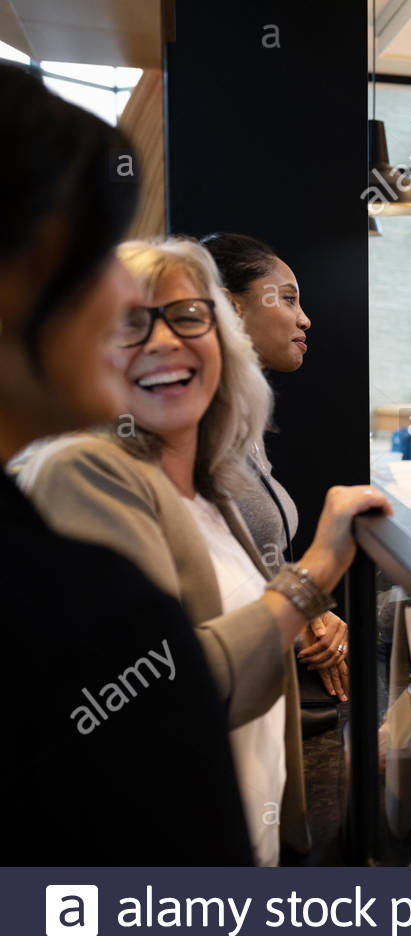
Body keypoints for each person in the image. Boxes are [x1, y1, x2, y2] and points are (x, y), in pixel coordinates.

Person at [19, 237, 392, 864]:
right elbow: (162, 692)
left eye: (189, 317)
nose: (164, 341)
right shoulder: (82, 470)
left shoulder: (211, 483)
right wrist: (315, 575)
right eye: (131, 323)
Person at [0, 62, 251, 863]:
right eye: (104, 250)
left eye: (186, 316)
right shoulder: (80, 610)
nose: (126, 307)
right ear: (25, 271)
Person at [201, 231, 349, 704]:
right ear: (232, 306)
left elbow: (262, 560)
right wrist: (306, 599)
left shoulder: (242, 420)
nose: (305, 318)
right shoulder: (197, 425)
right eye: (288, 299)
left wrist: (315, 611)